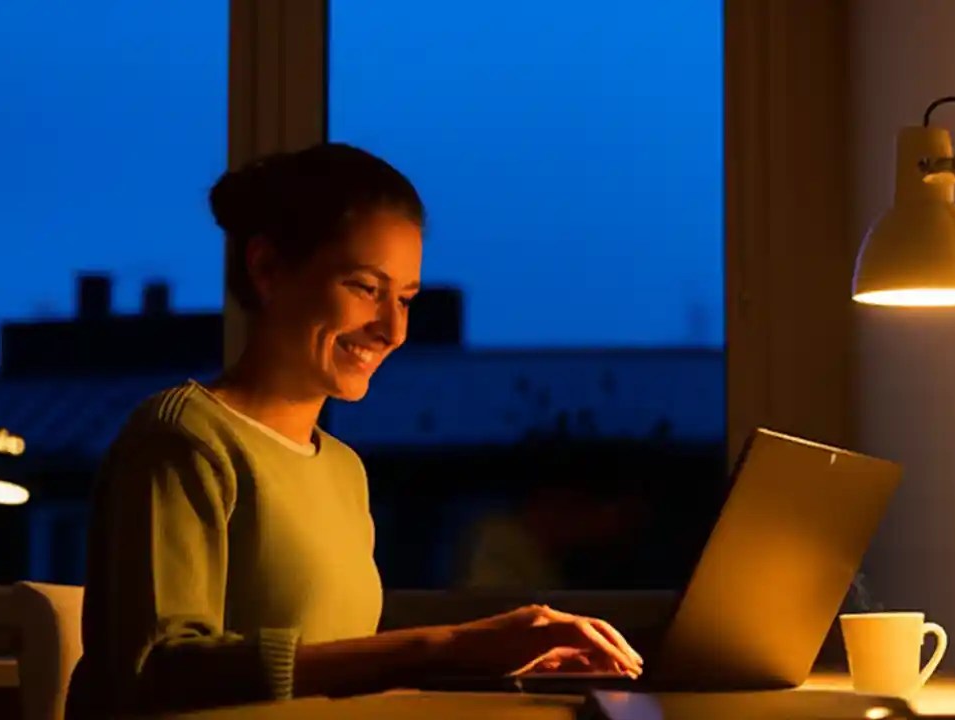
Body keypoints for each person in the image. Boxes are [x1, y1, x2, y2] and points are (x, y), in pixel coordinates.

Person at [64, 143, 643, 718]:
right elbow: (162, 673)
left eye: (407, 299)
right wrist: (443, 646)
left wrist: (485, 663)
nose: (391, 328)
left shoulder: (343, 469)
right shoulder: (185, 439)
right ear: (266, 268)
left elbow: (339, 679)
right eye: (366, 288)